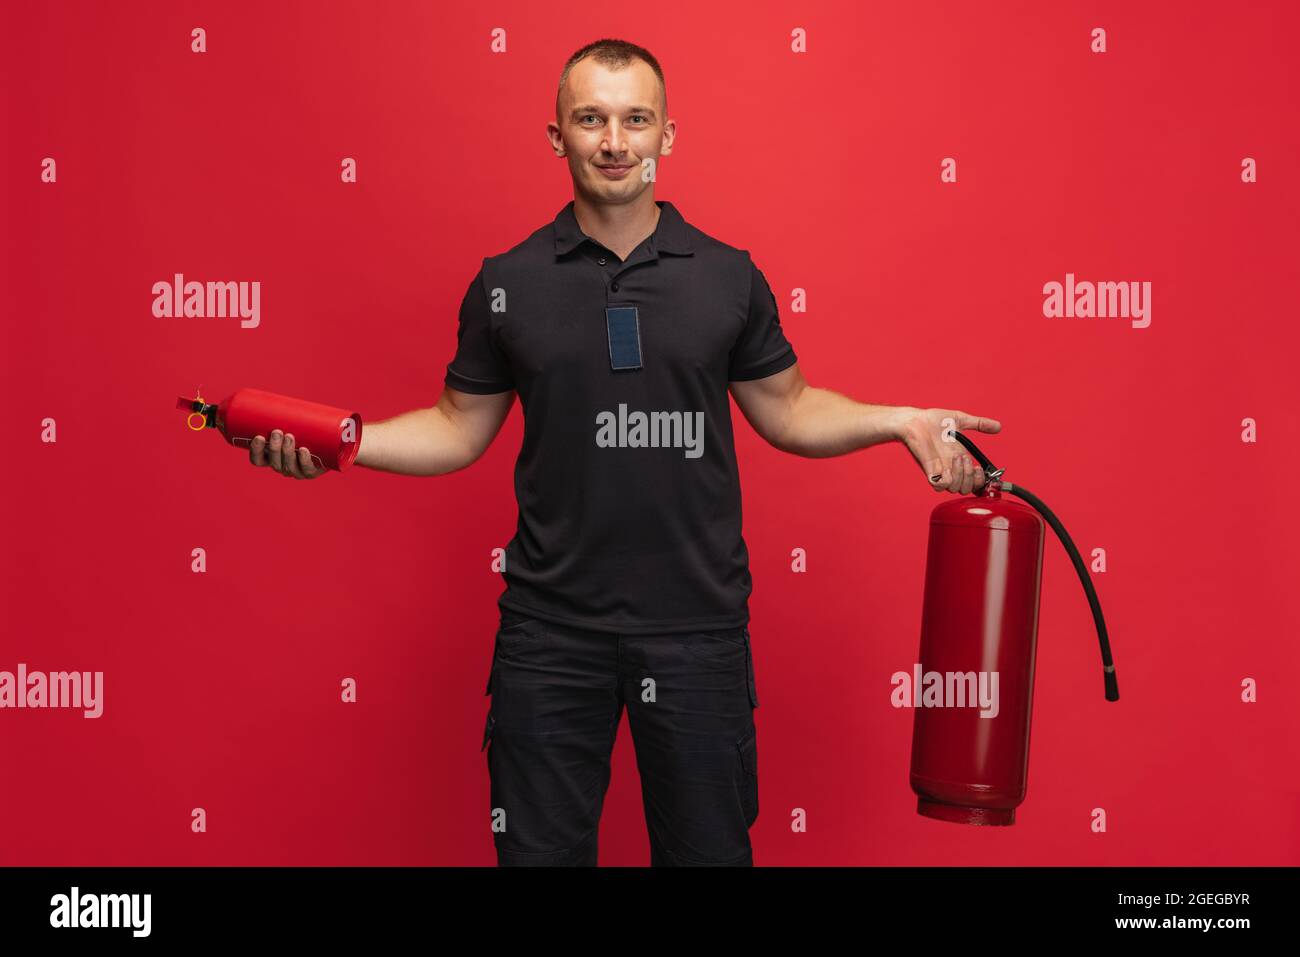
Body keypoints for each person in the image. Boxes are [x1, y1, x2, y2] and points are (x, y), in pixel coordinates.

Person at [246, 38, 1001, 866]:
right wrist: (347, 444)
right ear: (556, 136)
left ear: (667, 135)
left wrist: (899, 420)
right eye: (591, 119)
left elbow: (787, 409)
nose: (614, 141)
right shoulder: (507, 282)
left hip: (698, 633)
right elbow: (457, 425)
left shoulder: (727, 276)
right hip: (549, 634)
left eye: (636, 119)